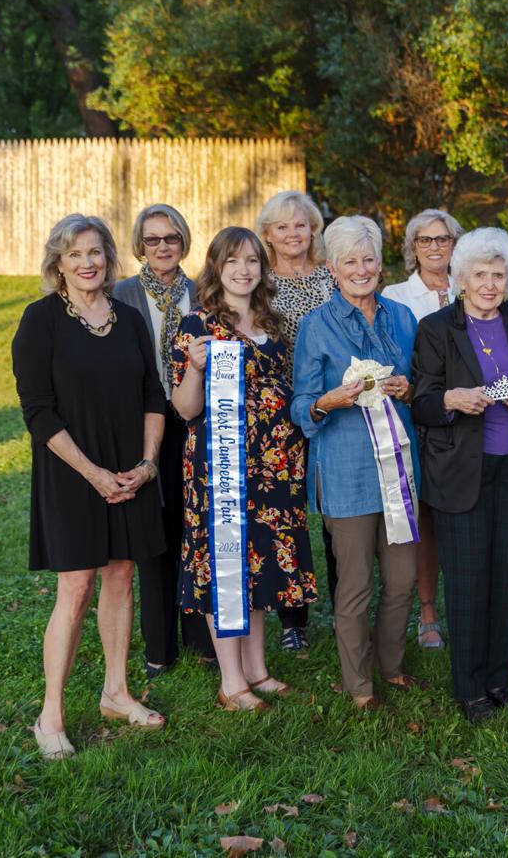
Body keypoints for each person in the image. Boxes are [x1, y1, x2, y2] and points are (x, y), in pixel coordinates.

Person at [12, 214, 167, 760]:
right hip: (71, 471)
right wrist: (94, 474)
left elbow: (153, 394)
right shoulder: (40, 321)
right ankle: (50, 713)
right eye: (75, 253)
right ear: (58, 262)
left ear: (109, 258)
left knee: (121, 576)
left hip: (129, 471)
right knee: (76, 587)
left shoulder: (130, 319)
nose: (87, 262)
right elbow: (37, 411)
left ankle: (116, 693)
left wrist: (146, 464)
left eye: (96, 251)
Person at [171, 227, 316, 712]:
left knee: (258, 563)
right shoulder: (197, 325)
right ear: (216, 267)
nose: (243, 269)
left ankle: (256, 669)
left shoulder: (272, 322)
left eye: (252, 260)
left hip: (274, 466)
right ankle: (231, 681)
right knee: (226, 561)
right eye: (232, 260)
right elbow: (185, 409)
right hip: (222, 467)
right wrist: (195, 368)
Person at [291, 215, 424, 711]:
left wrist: (409, 389)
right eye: (350, 261)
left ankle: (392, 665)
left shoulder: (402, 318)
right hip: (346, 472)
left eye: (369, 259)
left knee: (404, 579)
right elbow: (300, 403)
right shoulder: (315, 326)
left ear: (380, 263)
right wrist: (328, 401)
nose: (361, 270)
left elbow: (422, 386)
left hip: (399, 470)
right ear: (332, 268)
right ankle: (360, 686)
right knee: (355, 585)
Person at [411, 227, 508, 722]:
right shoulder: (437, 328)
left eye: (499, 275)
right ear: (460, 279)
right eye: (480, 275)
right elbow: (422, 402)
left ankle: (498, 679)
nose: (490, 284)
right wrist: (451, 399)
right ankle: (468, 688)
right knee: (467, 581)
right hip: (459, 470)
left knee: (504, 577)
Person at [114, 204, 215, 678]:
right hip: (145, 422)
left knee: (196, 527)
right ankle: (159, 645)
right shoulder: (122, 295)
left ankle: (200, 636)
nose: (162, 247)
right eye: (152, 239)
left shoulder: (203, 293)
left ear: (183, 242)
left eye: (171, 237)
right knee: (154, 534)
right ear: (140, 244)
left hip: (195, 420)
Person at [256, 190, 338, 652]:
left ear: (313, 230)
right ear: (267, 234)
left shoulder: (332, 276)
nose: (293, 233)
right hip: (281, 415)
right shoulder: (259, 284)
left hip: (335, 408)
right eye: (282, 226)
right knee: (286, 515)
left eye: (301, 225)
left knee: (337, 513)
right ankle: (293, 621)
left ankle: (347, 607)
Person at [383, 208, 466, 649]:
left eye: (443, 239)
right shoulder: (396, 296)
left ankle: (467, 605)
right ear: (412, 248)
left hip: (469, 421)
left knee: (465, 515)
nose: (434, 247)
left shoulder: (472, 286)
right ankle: (428, 609)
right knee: (426, 518)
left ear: (456, 245)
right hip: (416, 420)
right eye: (425, 240)